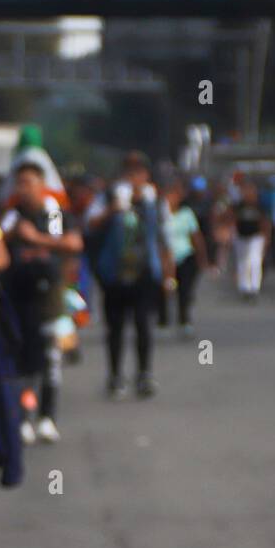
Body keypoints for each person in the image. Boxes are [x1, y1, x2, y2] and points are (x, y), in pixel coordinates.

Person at [0, 162, 83, 443]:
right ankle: (24, 416)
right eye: (19, 183)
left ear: (41, 184)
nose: (23, 189)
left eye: (28, 182)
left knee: (50, 359)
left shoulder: (54, 213)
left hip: (49, 298)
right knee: (22, 362)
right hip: (18, 298)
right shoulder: (12, 215)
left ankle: (47, 417)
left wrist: (37, 240)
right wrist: (12, 235)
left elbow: (72, 244)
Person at [86, 151, 171, 399]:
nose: (134, 177)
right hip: (114, 274)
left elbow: (165, 239)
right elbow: (90, 224)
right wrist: (112, 209)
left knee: (143, 325)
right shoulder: (108, 198)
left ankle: (144, 374)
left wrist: (168, 274)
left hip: (145, 273)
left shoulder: (155, 201)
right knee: (115, 328)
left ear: (146, 175)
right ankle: (115, 376)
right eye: (129, 172)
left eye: (139, 172)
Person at [157, 179, 210, 337]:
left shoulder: (186, 214)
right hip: (164, 257)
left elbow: (196, 236)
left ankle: (184, 320)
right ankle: (163, 319)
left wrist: (203, 258)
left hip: (185, 255)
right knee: (163, 289)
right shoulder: (159, 214)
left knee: (184, 290)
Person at [231, 178, 270, 301]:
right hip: (241, 236)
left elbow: (265, 222)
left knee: (255, 261)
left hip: (256, 237)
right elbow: (232, 219)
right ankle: (244, 287)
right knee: (243, 262)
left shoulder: (259, 206)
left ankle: (254, 287)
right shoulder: (238, 206)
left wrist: (266, 237)